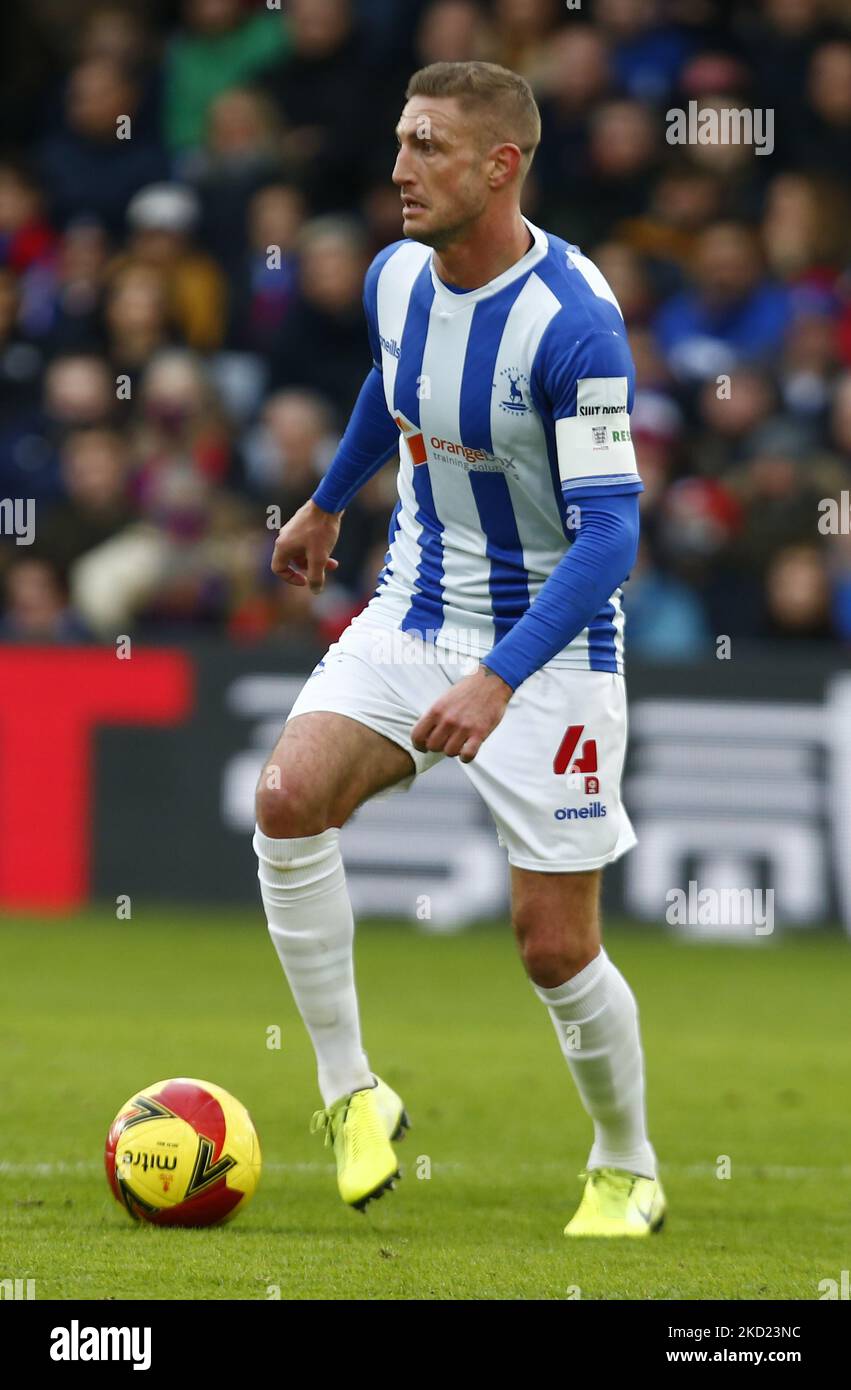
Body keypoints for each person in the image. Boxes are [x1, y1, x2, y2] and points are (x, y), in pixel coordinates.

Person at [253, 60, 665, 1238]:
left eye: (426, 146)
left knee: (551, 946)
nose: (397, 170)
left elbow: (610, 536)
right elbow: (392, 376)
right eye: (396, 142)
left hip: (553, 645)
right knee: (286, 800)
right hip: (416, 608)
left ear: (501, 165)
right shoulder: (393, 276)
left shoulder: (571, 326)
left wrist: (501, 677)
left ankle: (626, 1163)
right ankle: (349, 1094)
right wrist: (328, 501)